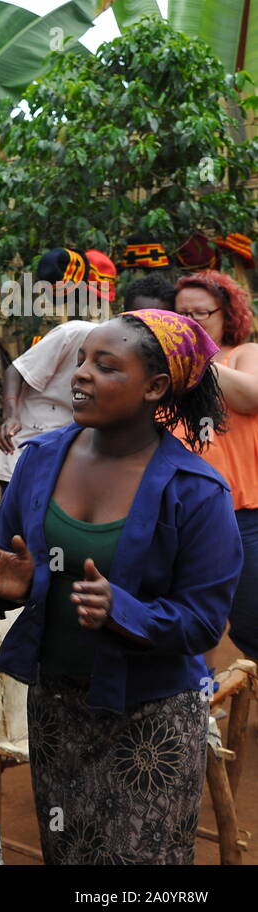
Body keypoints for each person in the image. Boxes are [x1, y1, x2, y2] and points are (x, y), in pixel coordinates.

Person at [0, 310, 241, 864]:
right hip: (58, 706)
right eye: (80, 361)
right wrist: (16, 587)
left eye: (106, 366)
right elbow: (12, 558)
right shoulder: (39, 460)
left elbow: (204, 621)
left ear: (155, 387)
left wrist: (125, 611)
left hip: (153, 714)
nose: (81, 375)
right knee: (68, 852)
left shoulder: (196, 491)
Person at [0, 275, 176, 494]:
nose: (81, 374)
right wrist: (11, 416)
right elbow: (17, 370)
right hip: (25, 456)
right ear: (122, 313)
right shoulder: (74, 333)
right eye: (81, 361)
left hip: (78, 466)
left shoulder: (158, 364)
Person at [174, 271, 258, 660]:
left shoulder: (245, 354)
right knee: (184, 614)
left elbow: (250, 396)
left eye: (200, 313)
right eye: (181, 314)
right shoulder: (170, 368)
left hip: (242, 513)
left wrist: (197, 356)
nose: (190, 321)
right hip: (179, 512)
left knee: (251, 618)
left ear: (227, 315)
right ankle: (202, 708)